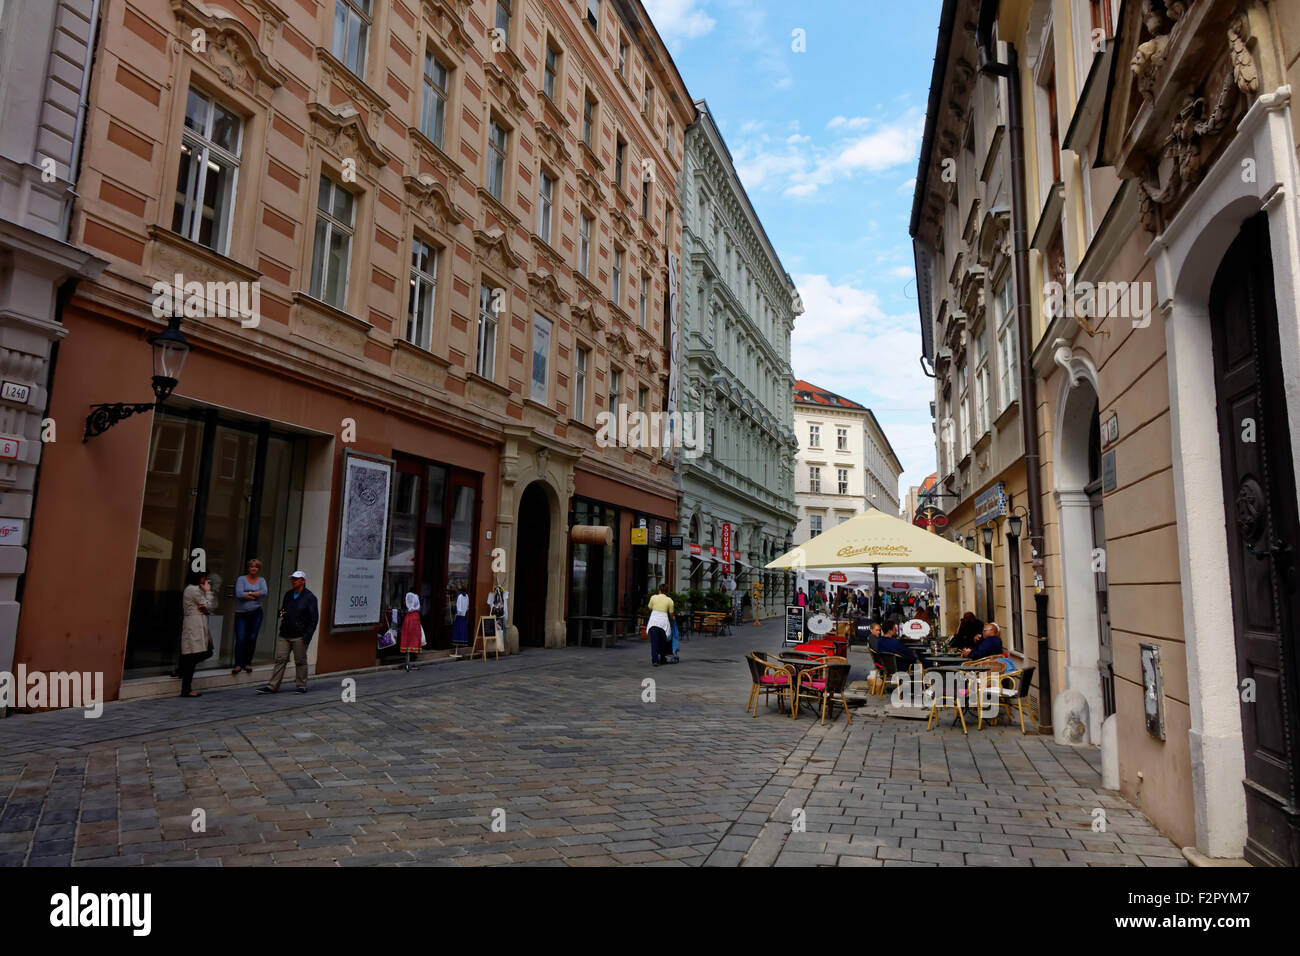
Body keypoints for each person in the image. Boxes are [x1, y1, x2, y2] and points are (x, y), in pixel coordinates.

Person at [258, 571, 319, 694]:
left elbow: (314, 619)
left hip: (300, 635)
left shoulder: (309, 597)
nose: (293, 581)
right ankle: (272, 686)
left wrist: (307, 636)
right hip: (285, 633)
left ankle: (301, 685)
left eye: (296, 579)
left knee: (300, 660)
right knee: (280, 659)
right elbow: (283, 610)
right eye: (292, 579)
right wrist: (281, 613)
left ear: (303, 581)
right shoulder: (288, 594)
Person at [179, 570, 214, 698]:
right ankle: (186, 688)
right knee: (199, 653)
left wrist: (204, 607)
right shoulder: (193, 590)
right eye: (204, 577)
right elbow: (207, 605)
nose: (205, 580)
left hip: (196, 624)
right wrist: (208, 591)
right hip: (194, 625)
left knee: (197, 653)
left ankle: (184, 679)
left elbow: (204, 607)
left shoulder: (192, 589)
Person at [232, 558, 268, 675]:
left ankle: (247, 663)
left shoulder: (261, 580)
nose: (254, 568)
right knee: (241, 638)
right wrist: (255, 594)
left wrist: (248, 593)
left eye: (256, 567)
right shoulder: (241, 579)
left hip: (256, 613)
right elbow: (239, 594)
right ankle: (238, 664)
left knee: (252, 638)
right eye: (252, 566)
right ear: (248, 568)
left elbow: (264, 592)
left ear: (258, 569)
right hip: (241, 614)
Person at [647, 584, 674, 666]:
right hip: (663, 623)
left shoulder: (653, 597)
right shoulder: (669, 600)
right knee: (663, 642)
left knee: (654, 642)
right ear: (666, 592)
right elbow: (671, 613)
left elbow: (650, 607)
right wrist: (674, 620)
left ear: (659, 590)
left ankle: (655, 660)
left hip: (654, 622)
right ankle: (662, 659)